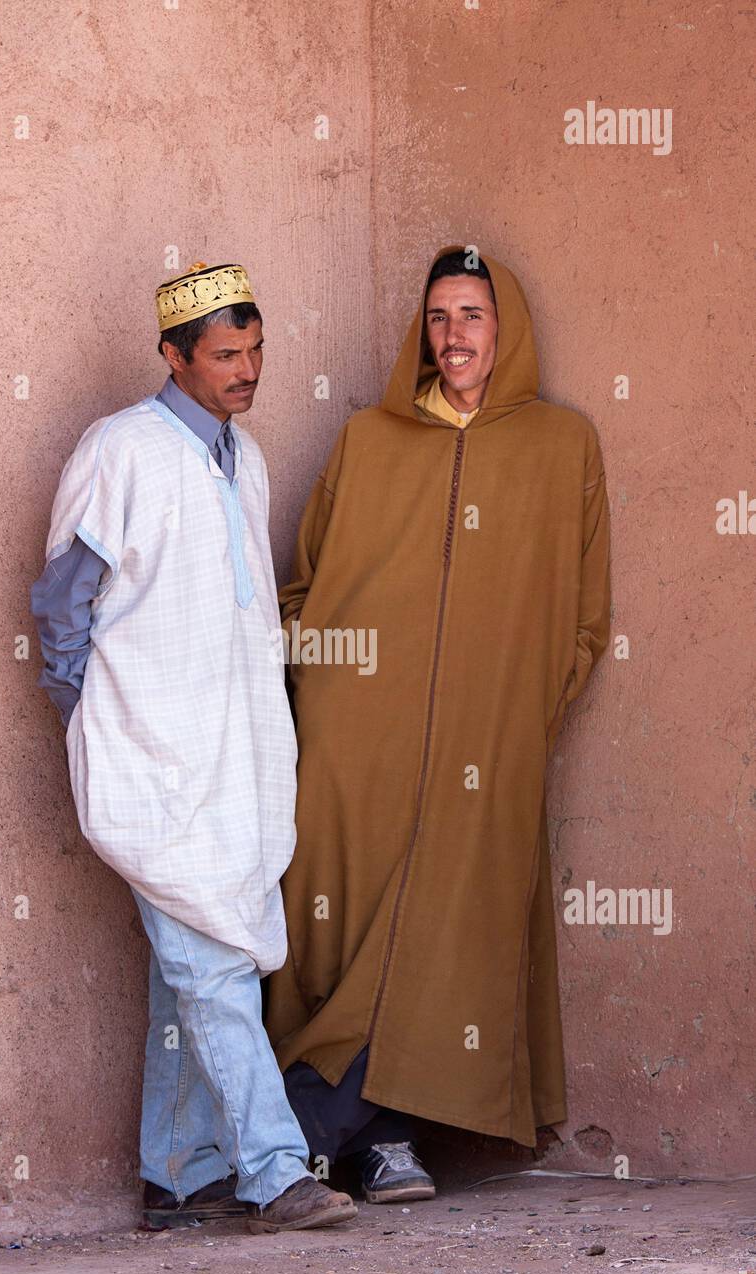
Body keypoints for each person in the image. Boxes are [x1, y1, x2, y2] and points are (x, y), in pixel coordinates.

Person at [266, 244, 611, 1203]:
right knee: (337, 931)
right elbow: (302, 583)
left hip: (485, 748)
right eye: (438, 316)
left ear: (507, 329)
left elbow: (586, 620)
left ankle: (323, 1137)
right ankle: (366, 1144)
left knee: (449, 929)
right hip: (354, 748)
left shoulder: (562, 447)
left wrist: (520, 712)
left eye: (472, 315)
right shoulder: (369, 440)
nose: (453, 335)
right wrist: (325, 692)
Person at [30, 261, 356, 1234]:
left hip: (229, 756)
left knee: (196, 963)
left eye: (255, 351)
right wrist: (95, 720)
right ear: (173, 356)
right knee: (210, 964)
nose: (246, 371)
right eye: (224, 355)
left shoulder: (244, 458)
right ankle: (275, 1170)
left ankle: (176, 1170)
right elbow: (62, 604)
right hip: (149, 753)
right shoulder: (120, 448)